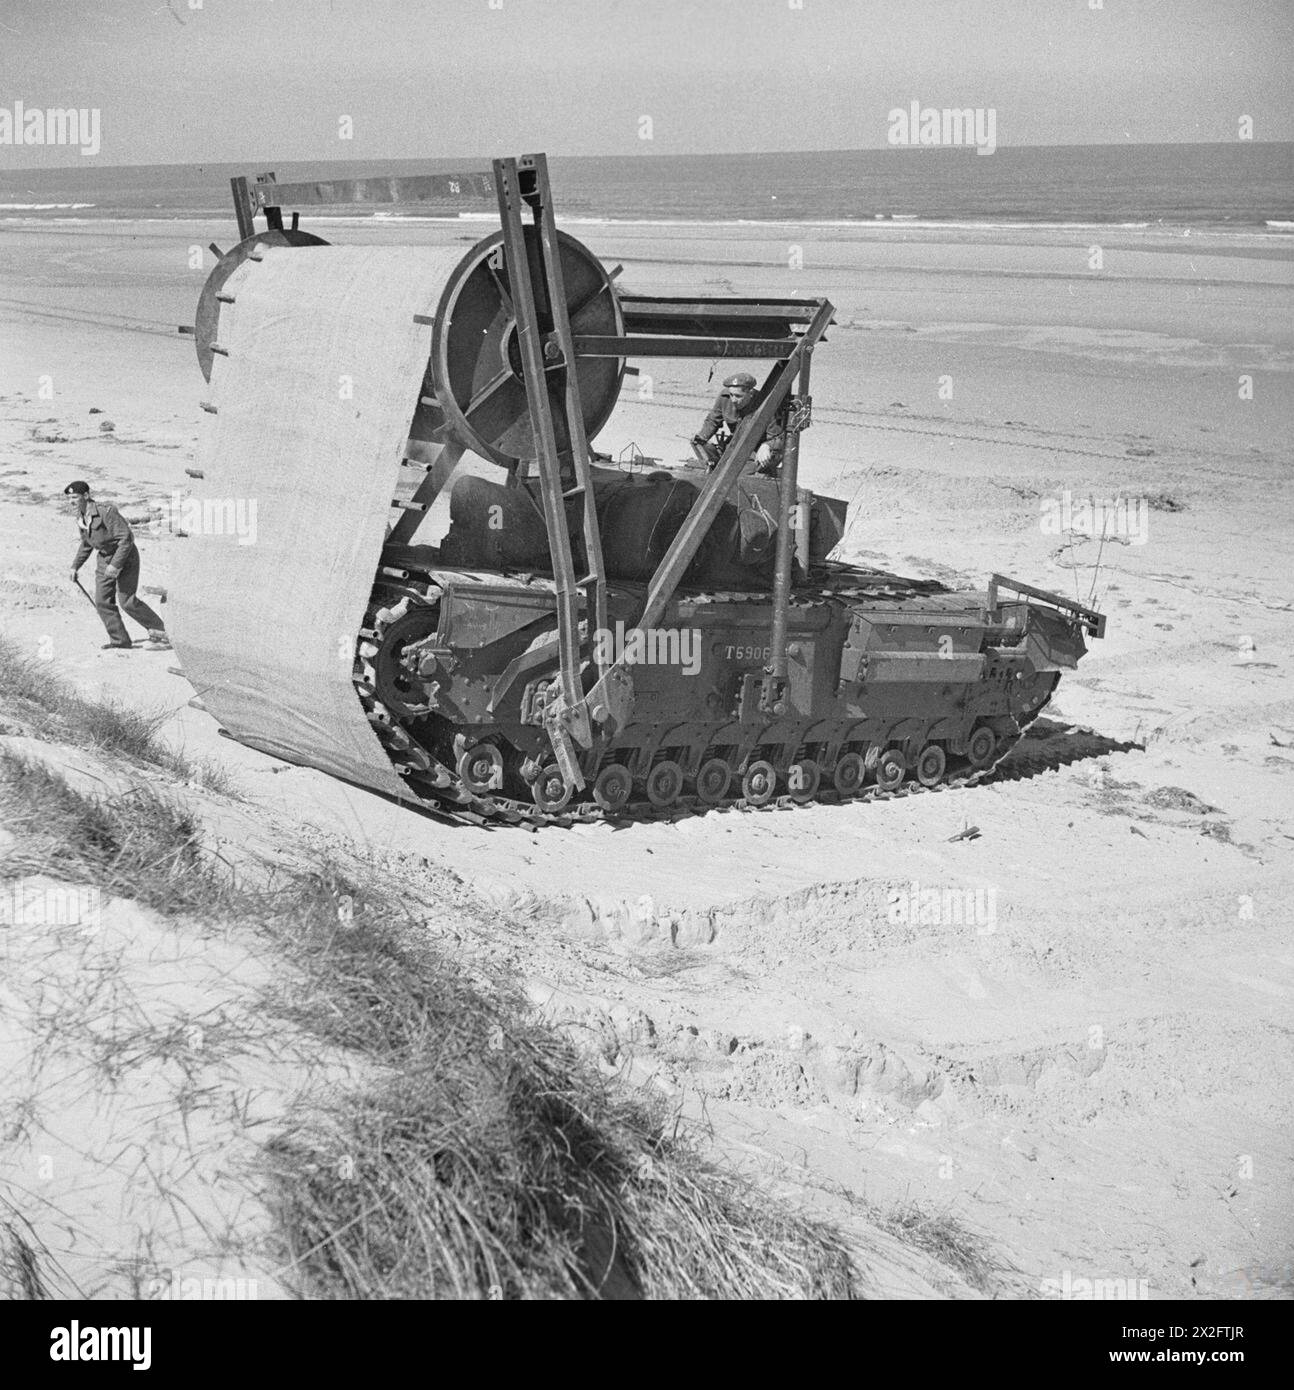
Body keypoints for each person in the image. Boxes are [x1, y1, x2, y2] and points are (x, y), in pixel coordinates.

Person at [64, 481, 170, 651]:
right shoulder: (80, 517)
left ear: (86, 496)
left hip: (125, 557)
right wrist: (75, 566)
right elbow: (86, 543)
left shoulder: (106, 512)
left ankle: (162, 634)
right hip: (104, 558)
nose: (71, 502)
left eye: (75, 497)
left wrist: (115, 565)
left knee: (127, 601)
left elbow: (126, 539)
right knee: (102, 601)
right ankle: (120, 641)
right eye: (69, 498)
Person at [691, 372, 783, 476]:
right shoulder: (724, 398)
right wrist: (702, 437)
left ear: (751, 393)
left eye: (738, 396)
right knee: (712, 465)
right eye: (731, 395)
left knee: (740, 475)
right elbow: (712, 420)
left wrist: (766, 446)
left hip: (755, 452)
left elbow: (777, 438)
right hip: (733, 446)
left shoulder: (766, 405)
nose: (733, 400)